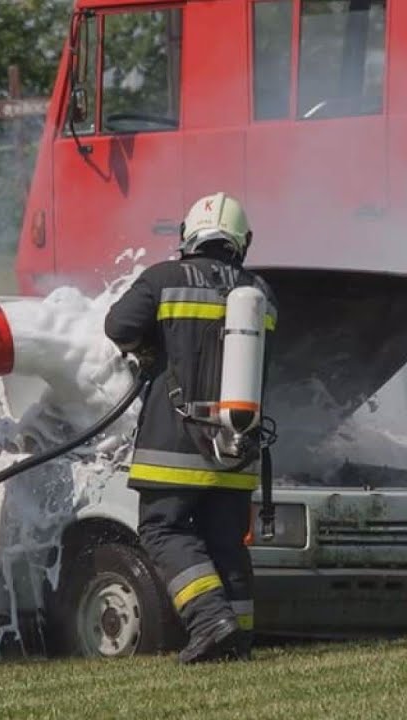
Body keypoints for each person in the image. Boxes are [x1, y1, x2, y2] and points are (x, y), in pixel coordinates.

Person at [103, 191, 277, 664]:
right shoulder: (262, 293)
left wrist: (156, 345)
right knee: (225, 541)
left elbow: (118, 327)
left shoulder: (164, 279)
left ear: (187, 236)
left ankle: (209, 620)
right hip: (237, 441)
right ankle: (238, 638)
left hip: (174, 443)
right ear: (243, 240)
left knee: (164, 530)